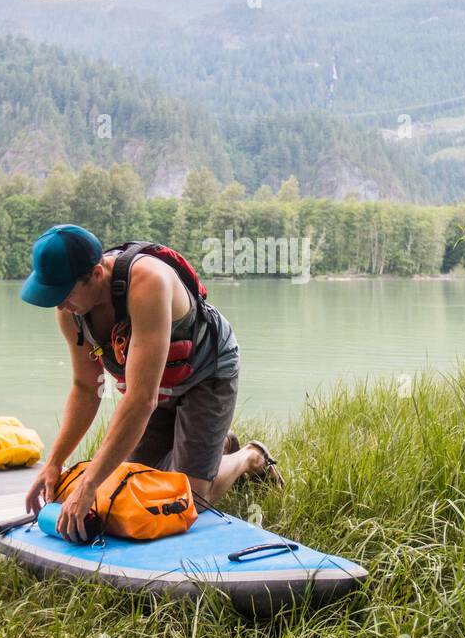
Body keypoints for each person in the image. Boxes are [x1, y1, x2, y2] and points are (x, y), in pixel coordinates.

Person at [19, 225, 281, 542]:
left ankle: (249, 457)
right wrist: (55, 463)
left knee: (187, 500)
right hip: (154, 385)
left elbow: (142, 400)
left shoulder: (147, 283)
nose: (59, 305)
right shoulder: (72, 312)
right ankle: (216, 444)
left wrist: (88, 485)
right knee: (141, 488)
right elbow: (87, 388)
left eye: (64, 294)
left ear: (96, 273)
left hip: (206, 372)